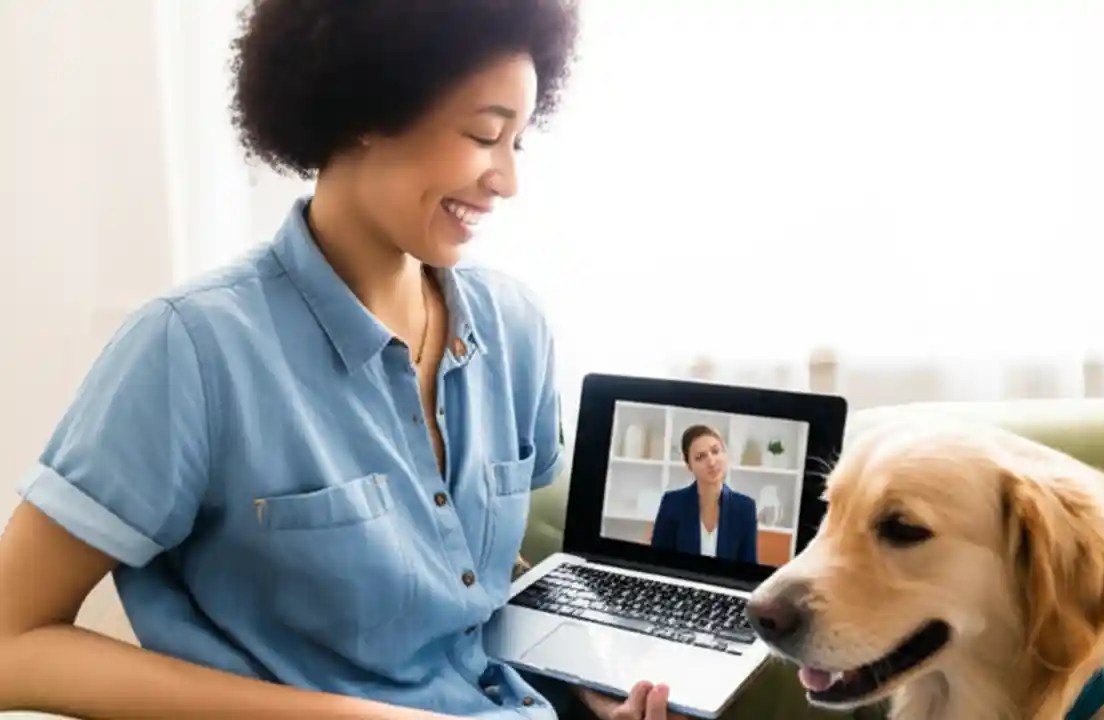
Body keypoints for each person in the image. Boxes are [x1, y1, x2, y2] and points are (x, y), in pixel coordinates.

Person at [0, 2, 681, 718]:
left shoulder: (515, 329)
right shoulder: (192, 351)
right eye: (484, 135)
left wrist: (592, 684)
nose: (506, 179)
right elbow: (11, 642)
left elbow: (477, 578)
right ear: (368, 106)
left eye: (520, 141)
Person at [650, 426, 758, 564]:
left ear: (724, 454)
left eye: (715, 451)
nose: (711, 462)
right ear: (689, 465)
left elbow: (748, 571)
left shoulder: (745, 508)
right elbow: (657, 562)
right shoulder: (672, 503)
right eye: (700, 457)